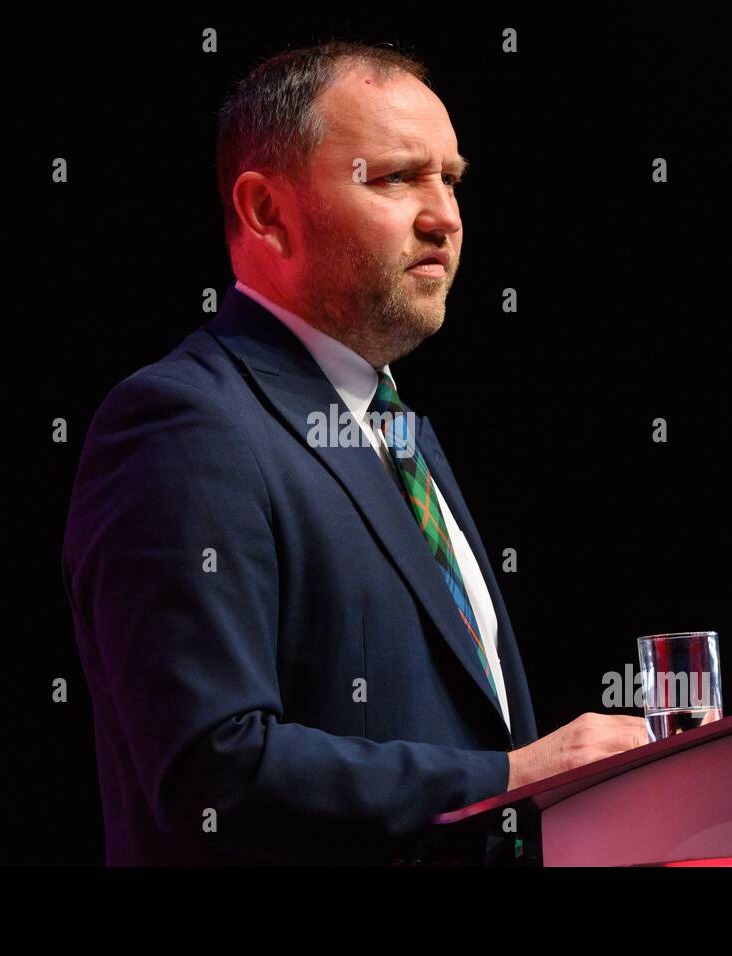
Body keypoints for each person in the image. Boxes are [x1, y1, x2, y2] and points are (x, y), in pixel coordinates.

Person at [61, 40, 648, 866]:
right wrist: (508, 777)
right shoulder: (183, 425)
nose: (444, 214)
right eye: (397, 177)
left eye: (451, 178)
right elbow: (213, 769)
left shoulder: (395, 421)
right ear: (267, 212)